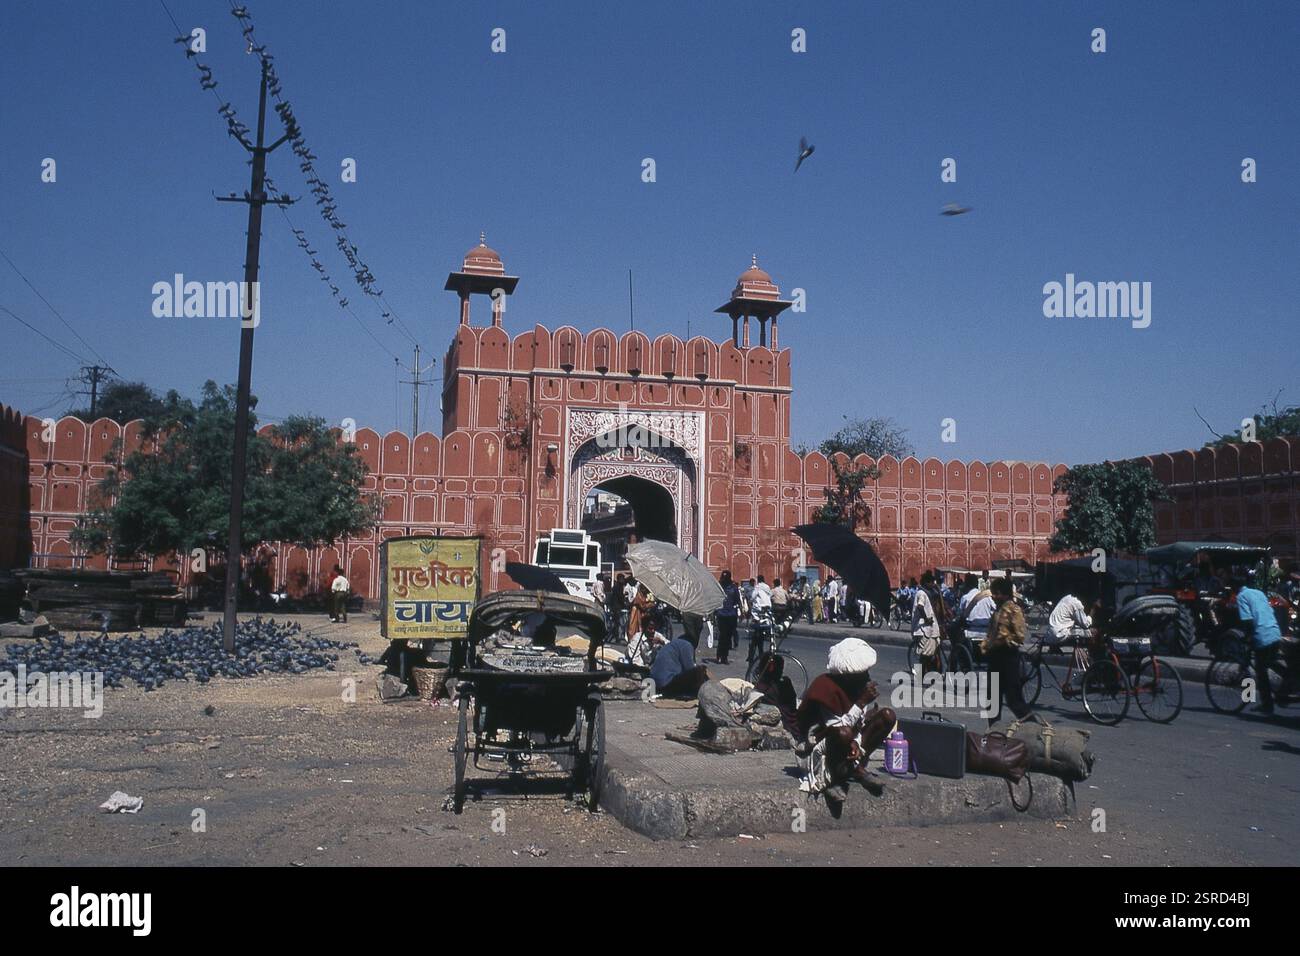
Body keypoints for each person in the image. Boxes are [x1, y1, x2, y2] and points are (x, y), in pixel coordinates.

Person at [794, 638, 896, 801]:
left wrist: (865, 715)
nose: (867, 677)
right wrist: (861, 702)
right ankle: (838, 776)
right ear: (848, 676)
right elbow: (837, 728)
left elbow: (855, 723)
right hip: (820, 751)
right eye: (863, 674)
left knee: (887, 716)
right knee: (844, 733)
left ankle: (854, 768)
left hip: (848, 743)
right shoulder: (825, 687)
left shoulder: (855, 687)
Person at [1232, 575, 1284, 715]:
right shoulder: (1259, 593)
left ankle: (1267, 704)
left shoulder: (1241, 597)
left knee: (1261, 671)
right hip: (1274, 631)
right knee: (1271, 662)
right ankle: (1287, 680)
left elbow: (1247, 620)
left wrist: (1246, 638)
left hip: (1262, 635)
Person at [985, 577, 1031, 722]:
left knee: (1014, 700)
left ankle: (1033, 728)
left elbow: (1020, 636)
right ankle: (993, 732)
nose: (994, 596)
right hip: (995, 658)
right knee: (992, 700)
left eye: (997, 593)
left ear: (1005, 594)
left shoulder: (1014, 609)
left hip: (1008, 657)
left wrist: (1004, 640)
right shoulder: (997, 611)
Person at [649, 625, 709, 698]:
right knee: (699, 670)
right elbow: (689, 668)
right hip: (667, 683)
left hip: (656, 683)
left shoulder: (672, 645)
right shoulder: (686, 645)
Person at [910, 572, 943, 674]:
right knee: (925, 655)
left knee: (929, 653)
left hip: (930, 628)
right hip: (923, 628)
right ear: (925, 582)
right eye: (931, 582)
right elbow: (920, 607)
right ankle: (920, 675)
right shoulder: (921, 593)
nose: (933, 584)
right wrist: (926, 619)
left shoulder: (930, 593)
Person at [715, 570, 741, 665]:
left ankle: (724, 656)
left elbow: (737, 600)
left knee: (728, 636)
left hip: (731, 615)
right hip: (721, 614)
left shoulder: (734, 587)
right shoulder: (719, 587)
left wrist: (740, 611)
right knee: (722, 636)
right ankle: (719, 656)